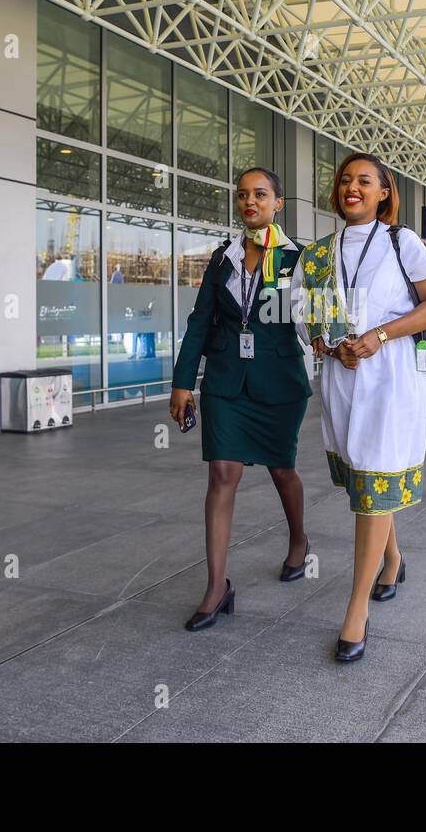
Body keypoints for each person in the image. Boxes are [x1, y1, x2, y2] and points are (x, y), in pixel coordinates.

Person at [291, 152, 426, 663]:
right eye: (344, 181)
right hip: (343, 377)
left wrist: (380, 335)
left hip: (394, 378)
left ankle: (356, 609)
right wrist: (327, 343)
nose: (351, 188)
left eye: (364, 181)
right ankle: (393, 560)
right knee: (365, 480)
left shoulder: (403, 242)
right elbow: (304, 319)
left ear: (385, 192)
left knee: (375, 478)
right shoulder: (315, 255)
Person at [168, 168, 312, 632]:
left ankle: (298, 539)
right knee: (222, 473)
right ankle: (216, 586)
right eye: (243, 195)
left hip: (280, 382)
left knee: (281, 467)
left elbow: (319, 318)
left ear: (278, 203)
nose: (250, 201)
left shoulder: (298, 259)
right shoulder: (222, 259)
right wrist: (183, 381)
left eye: (261, 194)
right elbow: (199, 322)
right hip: (227, 381)